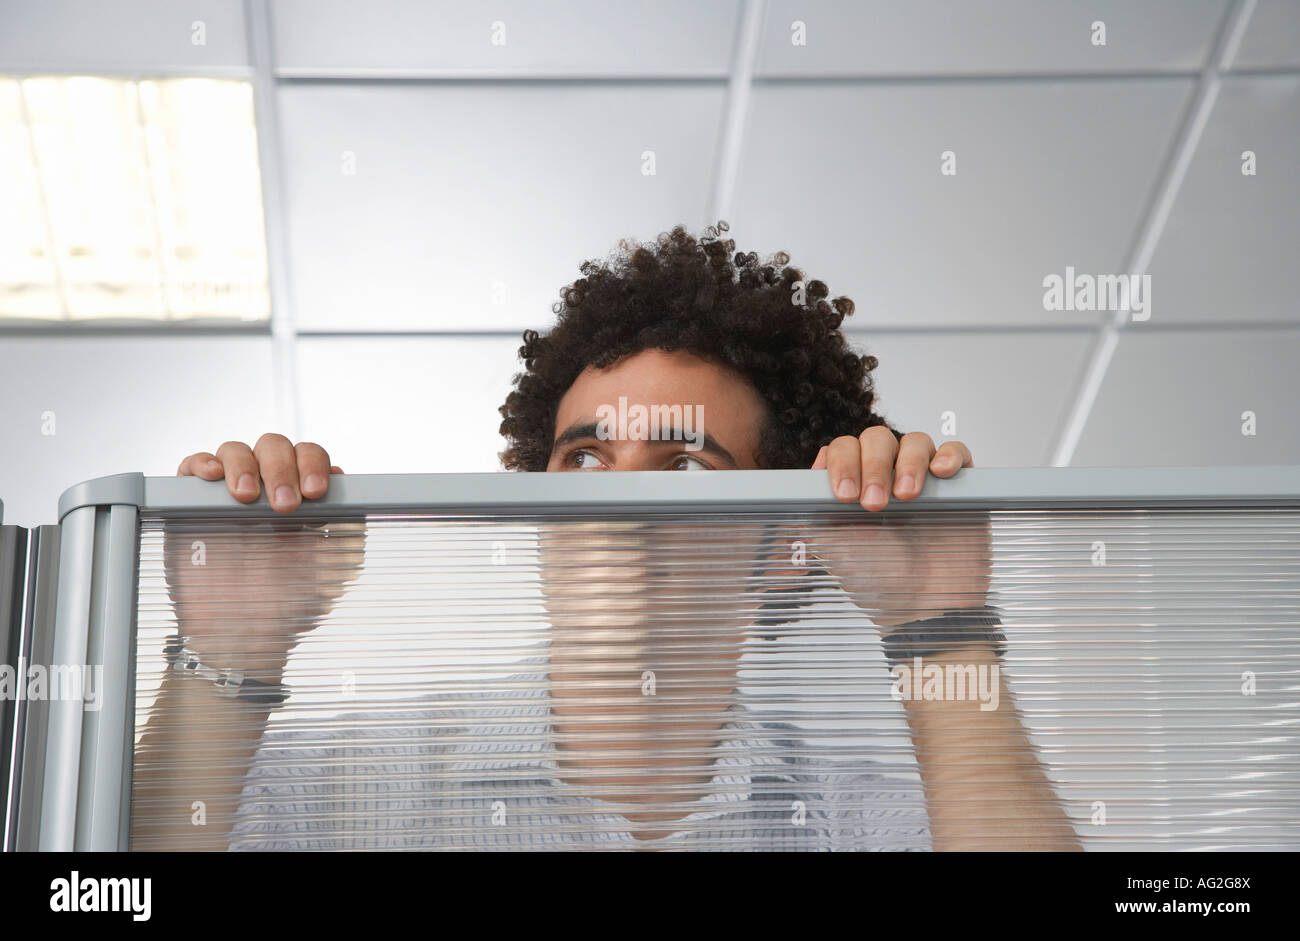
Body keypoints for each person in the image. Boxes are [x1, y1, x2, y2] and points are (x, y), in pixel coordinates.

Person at [135, 223, 1079, 850]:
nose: (617, 503)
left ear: (789, 550)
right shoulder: (322, 801)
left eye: (685, 466)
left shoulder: (877, 829)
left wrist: (940, 622)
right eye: (584, 458)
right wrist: (228, 651)